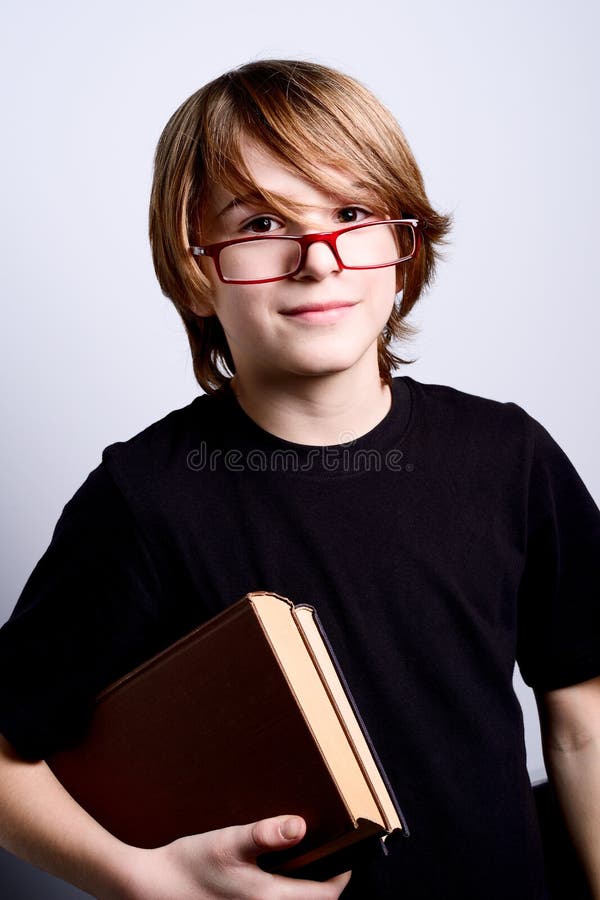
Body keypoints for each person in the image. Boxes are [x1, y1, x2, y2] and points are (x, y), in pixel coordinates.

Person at [0, 58, 599, 900]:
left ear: (402, 242)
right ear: (198, 267)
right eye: (259, 224)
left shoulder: (510, 456)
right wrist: (144, 882)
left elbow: (582, 727)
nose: (317, 259)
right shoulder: (142, 500)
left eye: (351, 213)